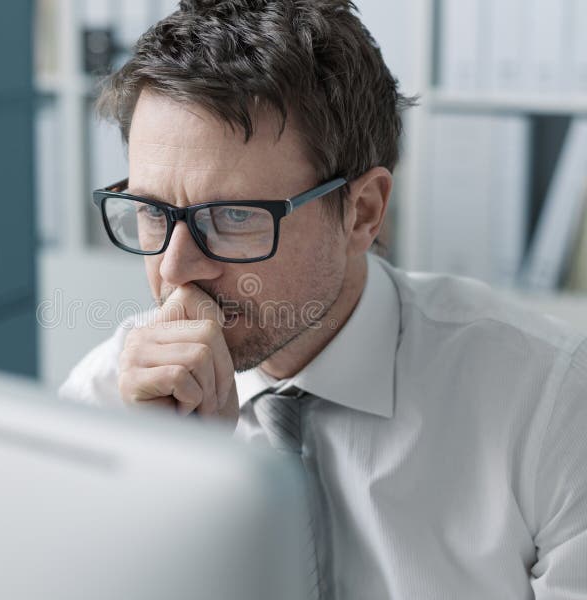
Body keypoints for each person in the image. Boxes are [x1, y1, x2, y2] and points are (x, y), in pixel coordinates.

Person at [59, 0, 587, 597]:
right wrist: (173, 479)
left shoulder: (553, 406)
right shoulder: (106, 404)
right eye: (153, 213)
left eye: (233, 216)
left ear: (362, 212)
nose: (175, 268)